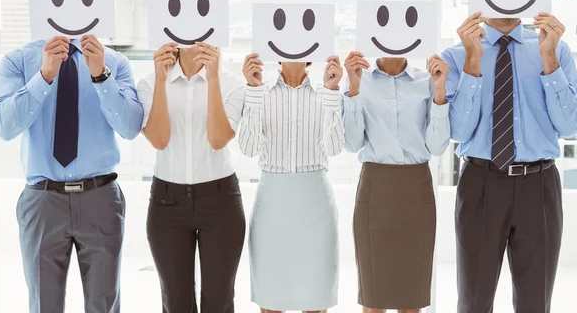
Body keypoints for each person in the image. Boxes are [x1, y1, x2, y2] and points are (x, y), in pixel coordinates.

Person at [0, 0, 143, 313]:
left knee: (104, 305)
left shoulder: (114, 63)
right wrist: (43, 76)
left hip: (101, 198)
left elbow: (131, 127)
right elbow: (2, 126)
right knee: (44, 305)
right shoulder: (18, 62)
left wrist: (100, 76)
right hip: (43, 201)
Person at [441, 0, 577, 313]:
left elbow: (570, 127)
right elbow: (457, 131)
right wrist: (473, 61)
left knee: (535, 303)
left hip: (540, 184)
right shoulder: (456, 56)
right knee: (473, 300)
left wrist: (549, 61)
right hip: (481, 181)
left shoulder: (556, 49)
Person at [137, 42, 246, 313]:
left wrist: (213, 79)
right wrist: (162, 80)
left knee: (219, 302)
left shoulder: (231, 83)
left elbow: (219, 139)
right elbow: (159, 140)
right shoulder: (150, 82)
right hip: (167, 202)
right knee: (175, 302)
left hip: (220, 202)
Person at [342, 52, 450, 313]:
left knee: (411, 298)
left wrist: (439, 93)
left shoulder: (426, 80)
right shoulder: (359, 79)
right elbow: (352, 143)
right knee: (373, 296)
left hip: (416, 187)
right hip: (374, 187)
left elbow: (437, 147)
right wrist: (354, 89)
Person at [239, 54, 345, 313]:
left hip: (315, 204)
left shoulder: (324, 94)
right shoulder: (260, 94)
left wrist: (332, 91)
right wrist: (253, 88)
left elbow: (334, 148)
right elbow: (248, 148)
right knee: (272, 299)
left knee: (316, 299)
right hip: (272, 206)